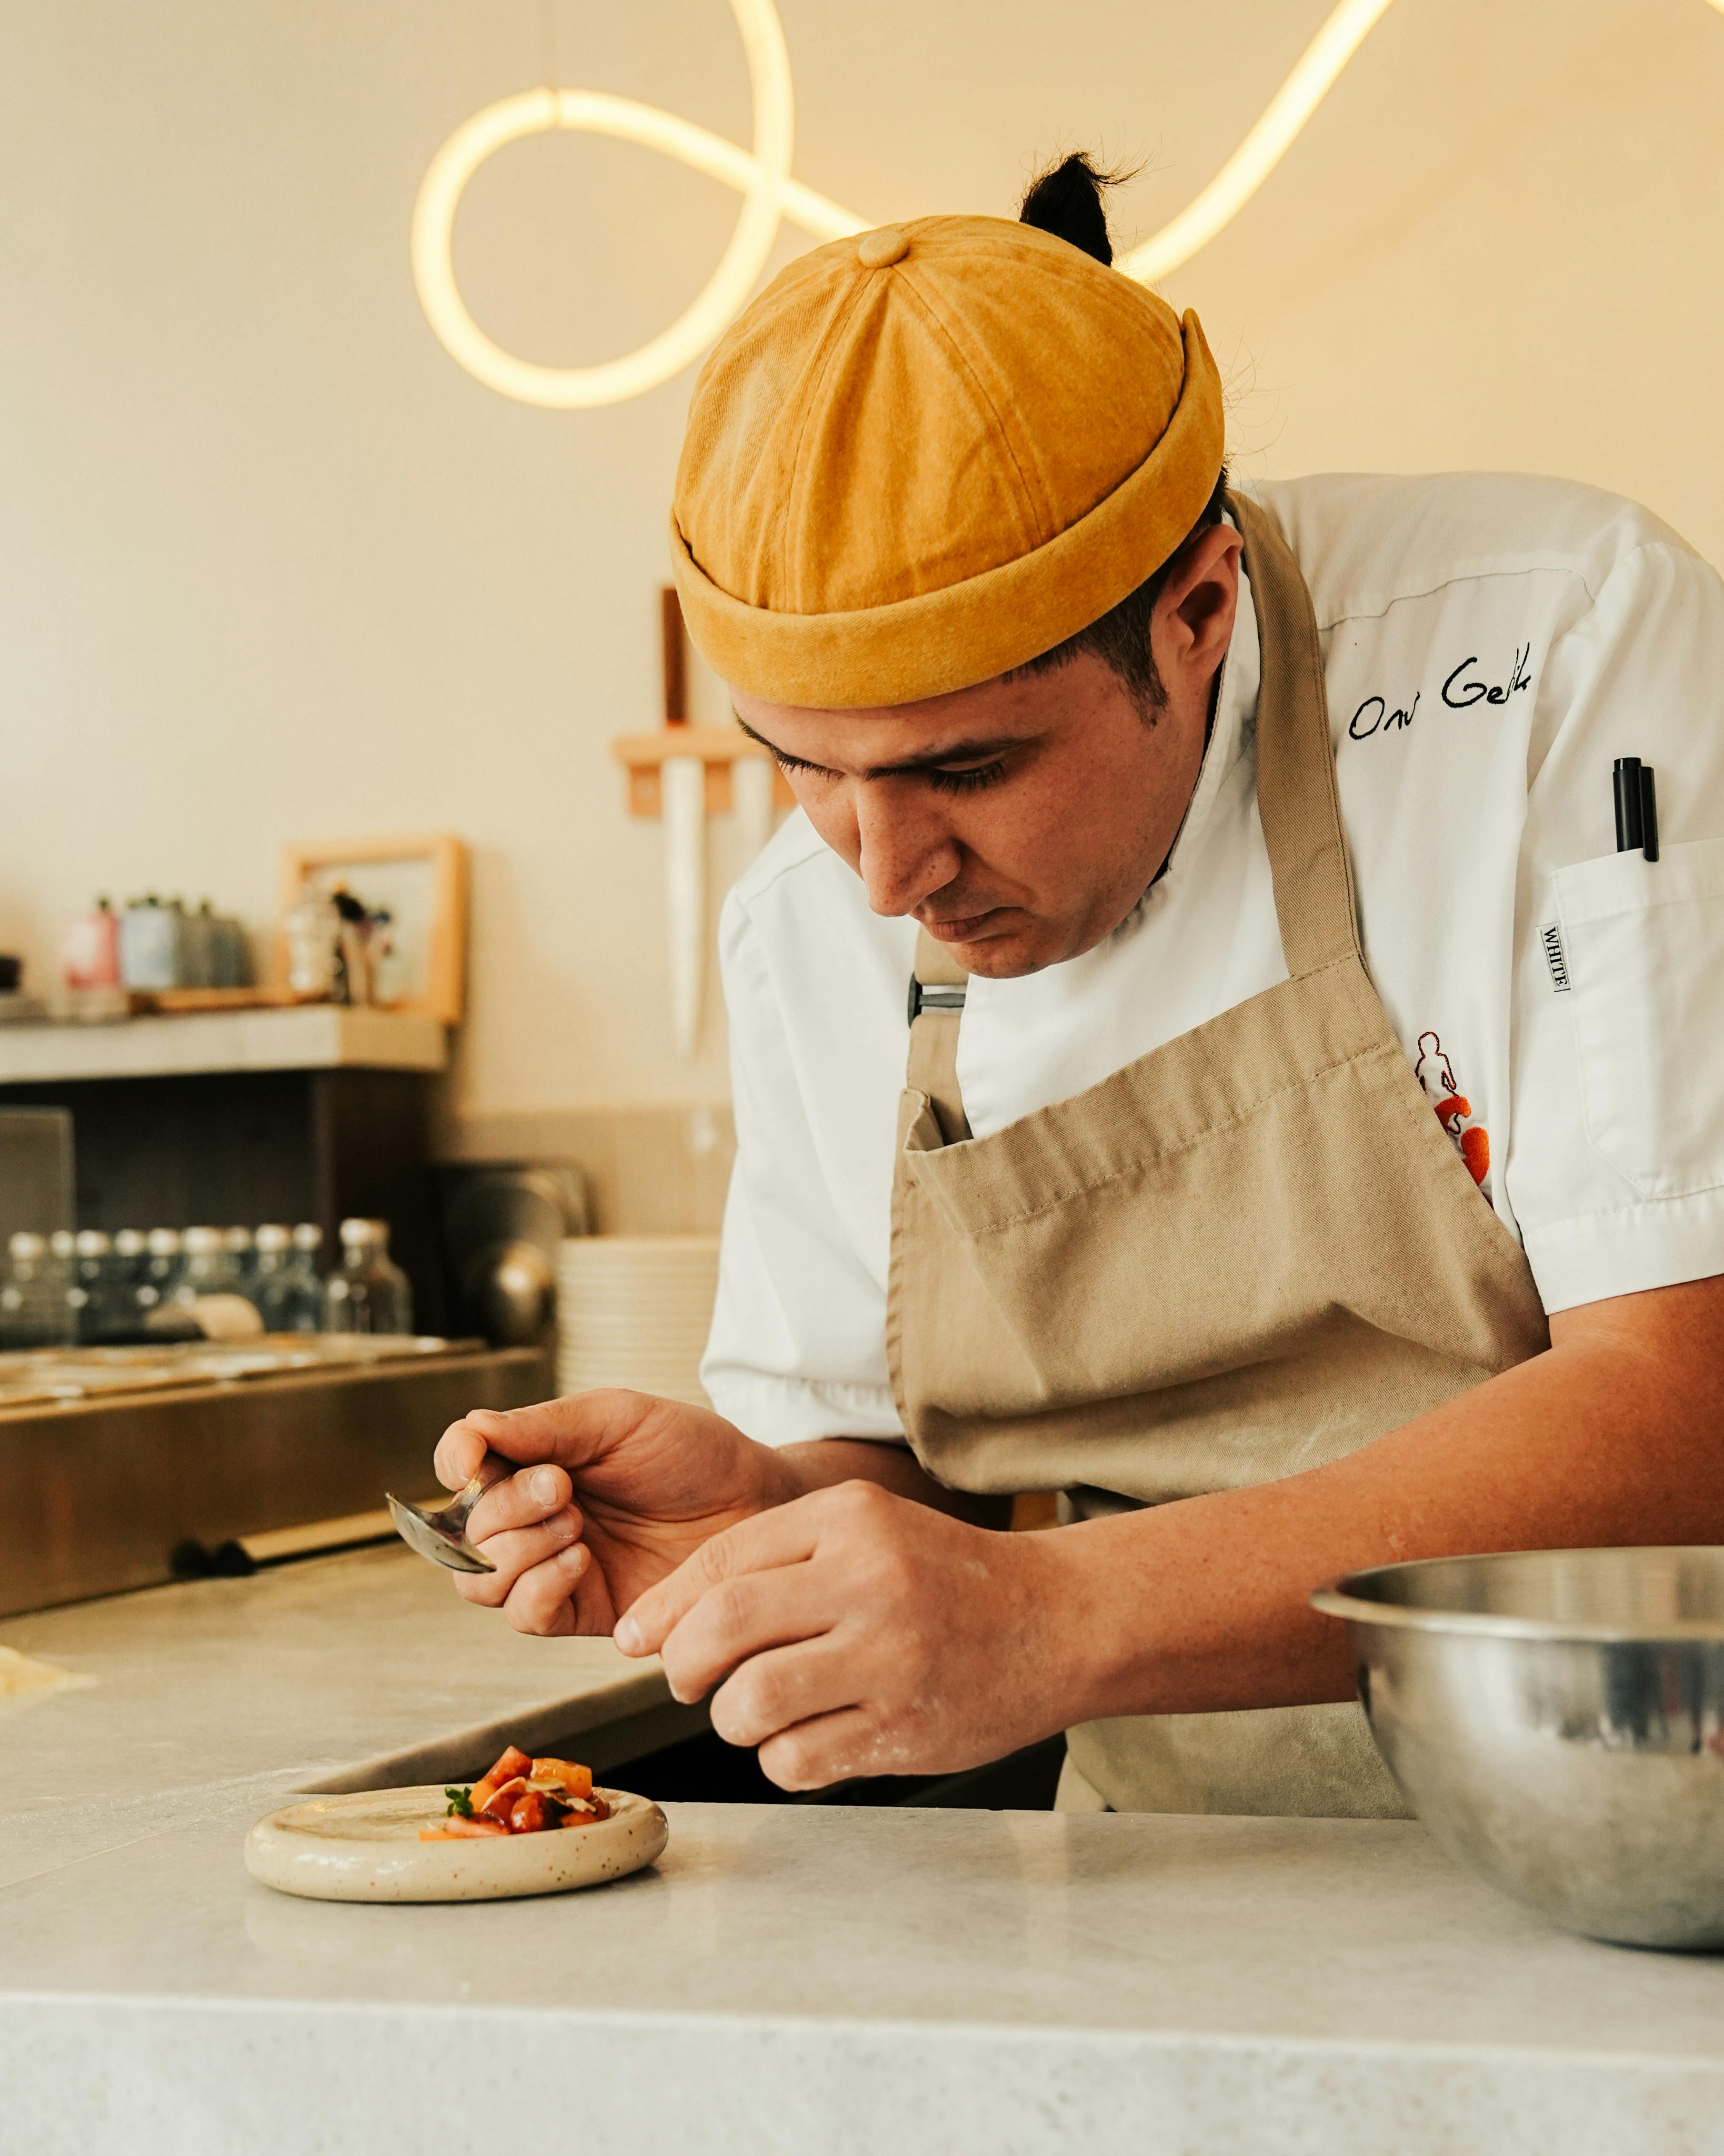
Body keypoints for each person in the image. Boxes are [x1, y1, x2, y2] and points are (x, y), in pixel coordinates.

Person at [433, 155, 1724, 1815]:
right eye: (802, 767)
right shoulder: (805, 918)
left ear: (1197, 612)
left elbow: (1683, 1403)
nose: (882, 873)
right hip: (1152, 1882)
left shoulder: (1555, 651)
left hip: (1625, 1844)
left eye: (965, 767)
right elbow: (912, 1492)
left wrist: (1052, 1616)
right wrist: (759, 1518)